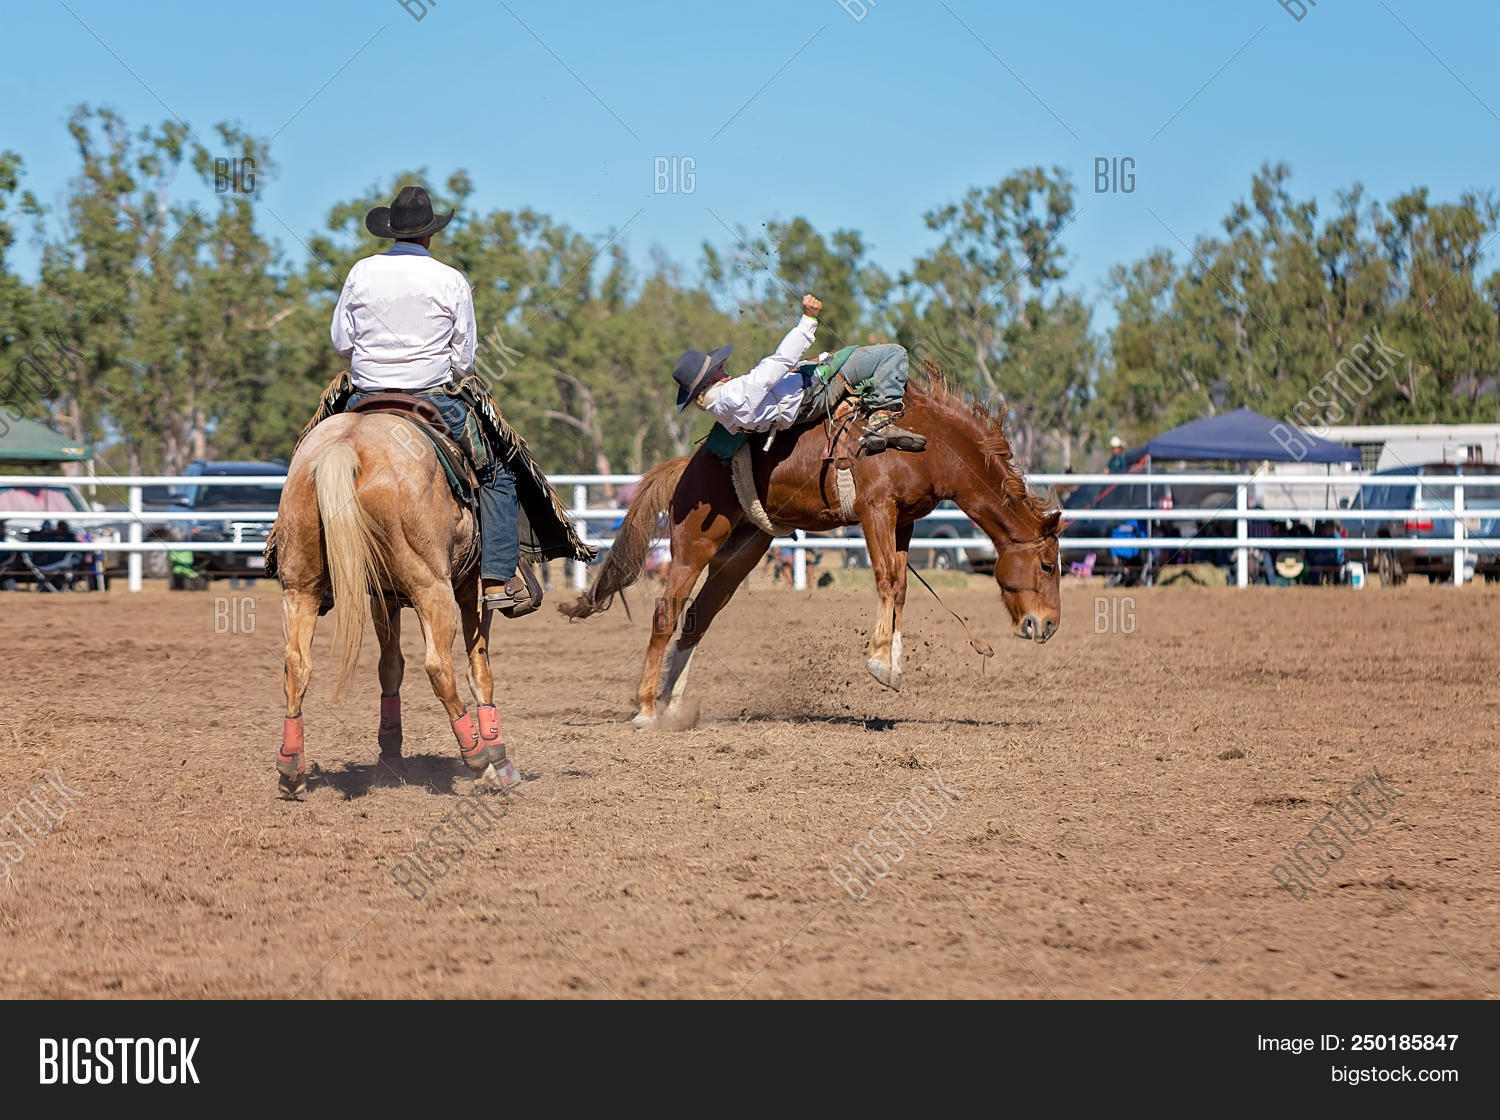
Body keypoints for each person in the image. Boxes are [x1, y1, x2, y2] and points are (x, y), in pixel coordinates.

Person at [331, 185, 537, 616]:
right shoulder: (449, 279)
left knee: (315, 454)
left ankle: (303, 563)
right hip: (431, 399)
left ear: (391, 232)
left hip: (364, 398)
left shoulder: (361, 272)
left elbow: (340, 341)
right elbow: (463, 359)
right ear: (429, 235)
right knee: (496, 471)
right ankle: (497, 578)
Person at [671, 294, 927, 453]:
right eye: (718, 368)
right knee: (893, 353)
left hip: (800, 401)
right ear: (710, 379)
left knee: (837, 355)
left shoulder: (721, 410)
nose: (723, 369)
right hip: (813, 394)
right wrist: (809, 320)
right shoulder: (733, 395)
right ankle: (881, 421)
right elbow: (780, 361)